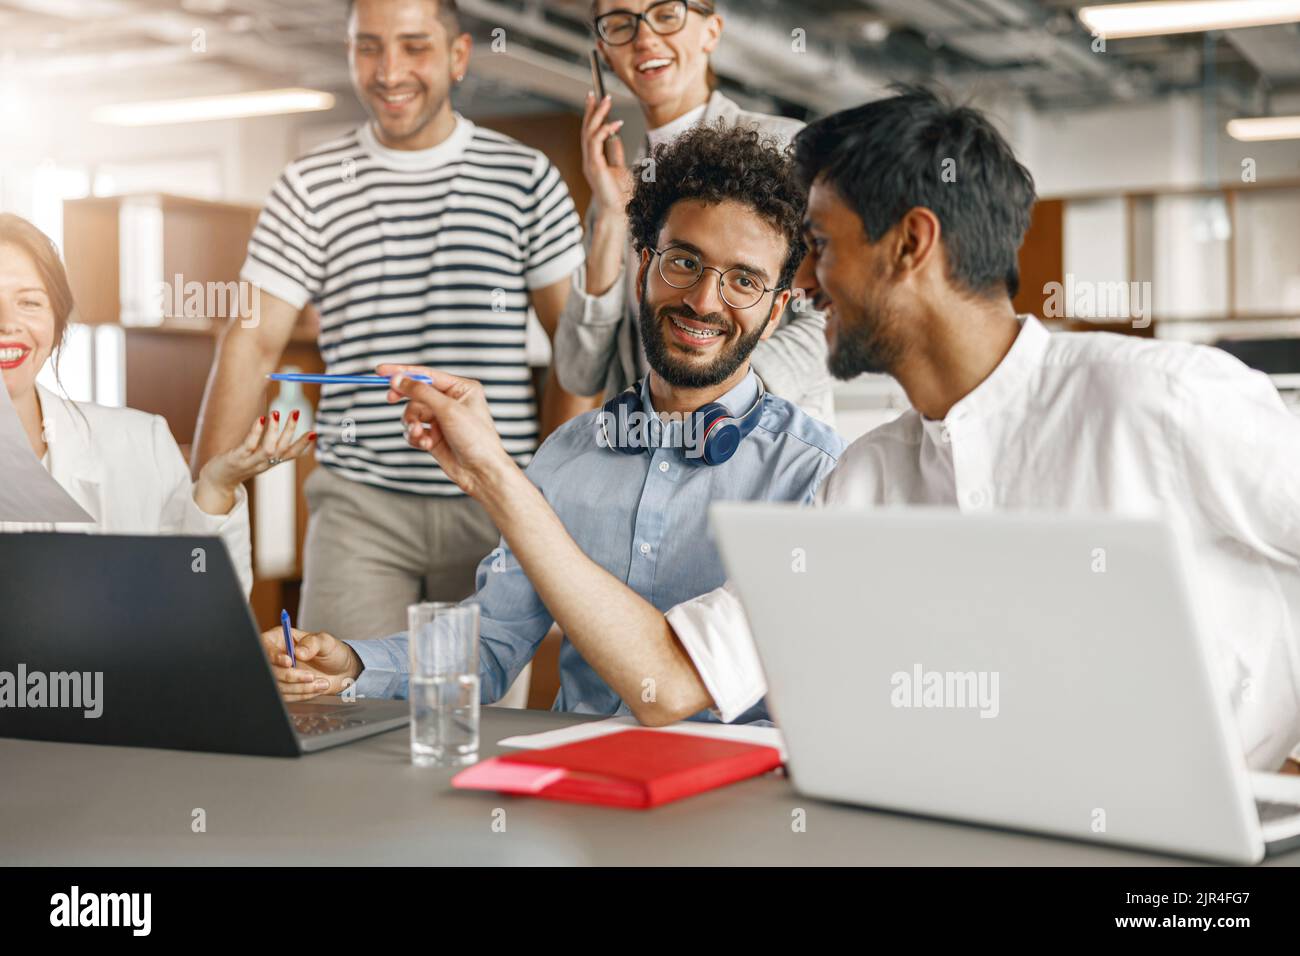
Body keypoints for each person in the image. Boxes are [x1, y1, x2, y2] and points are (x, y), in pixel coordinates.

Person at [258, 87, 1300, 773]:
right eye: (683, 261)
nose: (805, 286)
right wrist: (362, 649)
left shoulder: (1158, 398)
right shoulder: (875, 478)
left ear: (909, 244)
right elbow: (664, 676)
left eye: (811, 256)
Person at [261, 124, 845, 720]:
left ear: (775, 313)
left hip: (734, 803)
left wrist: (492, 472)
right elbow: (490, 646)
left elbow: (688, 682)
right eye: (684, 261)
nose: (702, 300)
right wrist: (355, 665)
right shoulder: (569, 456)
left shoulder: (818, 477)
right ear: (643, 267)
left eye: (743, 281)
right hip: (576, 789)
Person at [190, 0, 591, 643]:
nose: (389, 70)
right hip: (360, 504)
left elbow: (576, 348)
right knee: (338, 705)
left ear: (459, 56)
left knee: (475, 721)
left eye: (414, 46)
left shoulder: (525, 178)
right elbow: (252, 339)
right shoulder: (310, 185)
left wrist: (544, 493)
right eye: (368, 46)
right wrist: (202, 506)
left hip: (491, 494)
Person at [0, 215, 309, 596]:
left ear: (57, 319)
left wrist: (216, 487)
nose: (7, 323)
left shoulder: (140, 442)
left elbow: (203, 606)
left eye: (29, 302)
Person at [555, 0, 834, 422]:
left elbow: (834, 318)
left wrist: (700, 404)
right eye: (620, 23)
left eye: (666, 15)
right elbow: (580, 373)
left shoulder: (786, 150)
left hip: (765, 450)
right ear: (603, 49)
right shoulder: (616, 185)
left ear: (711, 31)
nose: (645, 37)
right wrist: (612, 214)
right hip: (648, 459)